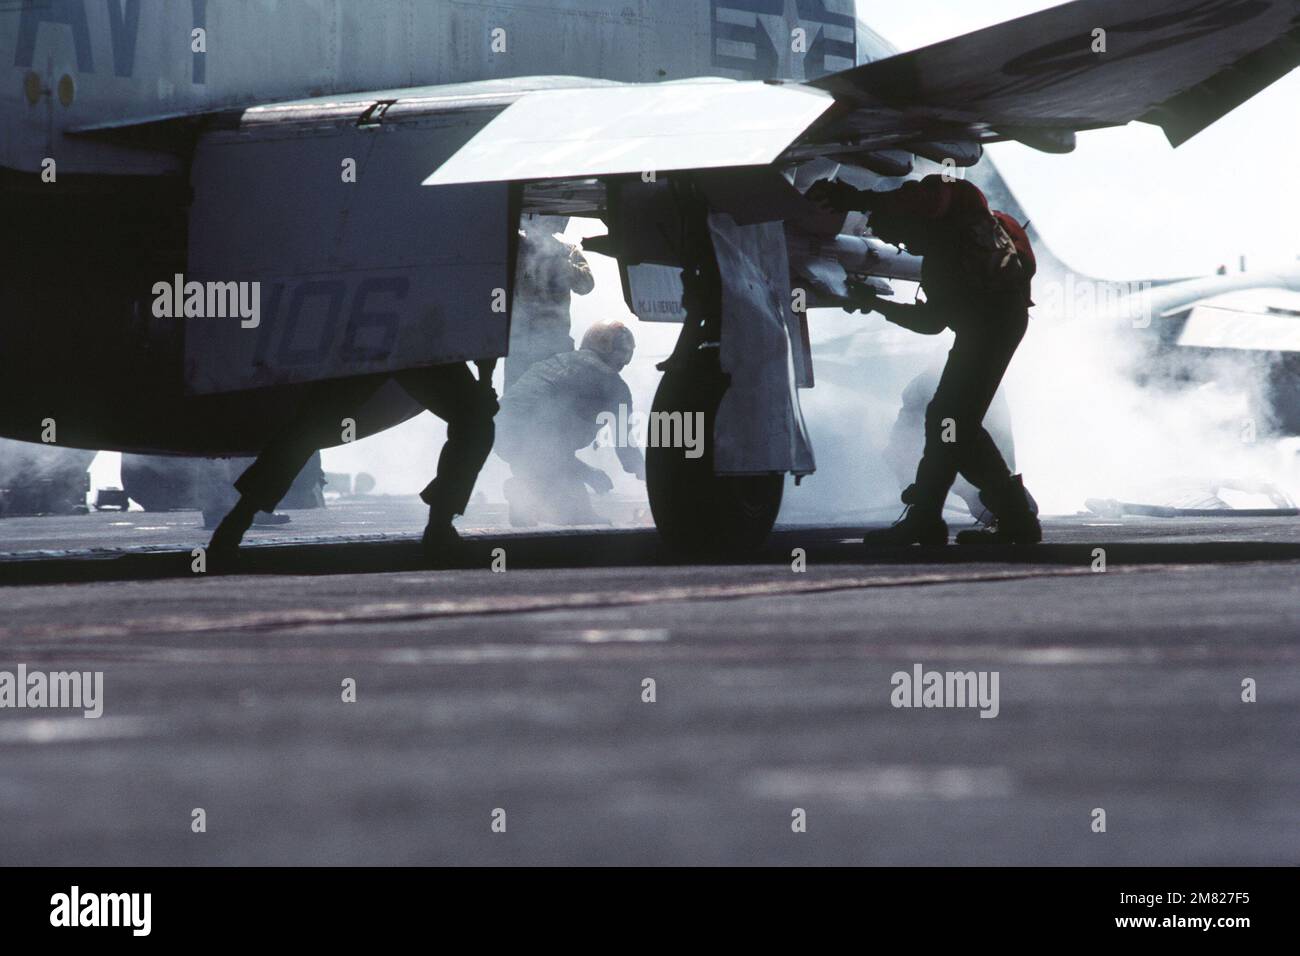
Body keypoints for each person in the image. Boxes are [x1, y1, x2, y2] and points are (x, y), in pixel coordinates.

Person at [810, 173, 1041, 545]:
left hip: (990, 328)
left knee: (950, 420)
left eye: (900, 236)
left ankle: (1001, 517)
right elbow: (903, 201)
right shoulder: (955, 213)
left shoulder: (945, 254)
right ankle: (945, 517)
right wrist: (856, 197)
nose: (901, 244)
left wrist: (874, 303)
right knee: (949, 421)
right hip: (998, 322)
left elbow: (931, 323)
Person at [208, 362, 497, 565]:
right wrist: (484, 382)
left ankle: (234, 525)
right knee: (475, 421)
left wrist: (484, 384)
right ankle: (439, 529)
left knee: (309, 428)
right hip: (407, 331)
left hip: (383, 331)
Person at [494, 320, 644, 526]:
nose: (625, 361)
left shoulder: (554, 362)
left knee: (569, 496)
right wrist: (648, 472)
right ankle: (523, 490)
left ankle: (525, 493)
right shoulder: (614, 384)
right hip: (537, 444)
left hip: (500, 435)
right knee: (579, 518)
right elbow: (625, 446)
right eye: (623, 353)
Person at [506, 219, 595, 387]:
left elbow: (586, 284)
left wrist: (561, 264)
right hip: (521, 343)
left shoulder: (567, 251)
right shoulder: (515, 248)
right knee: (517, 399)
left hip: (553, 342)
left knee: (558, 397)